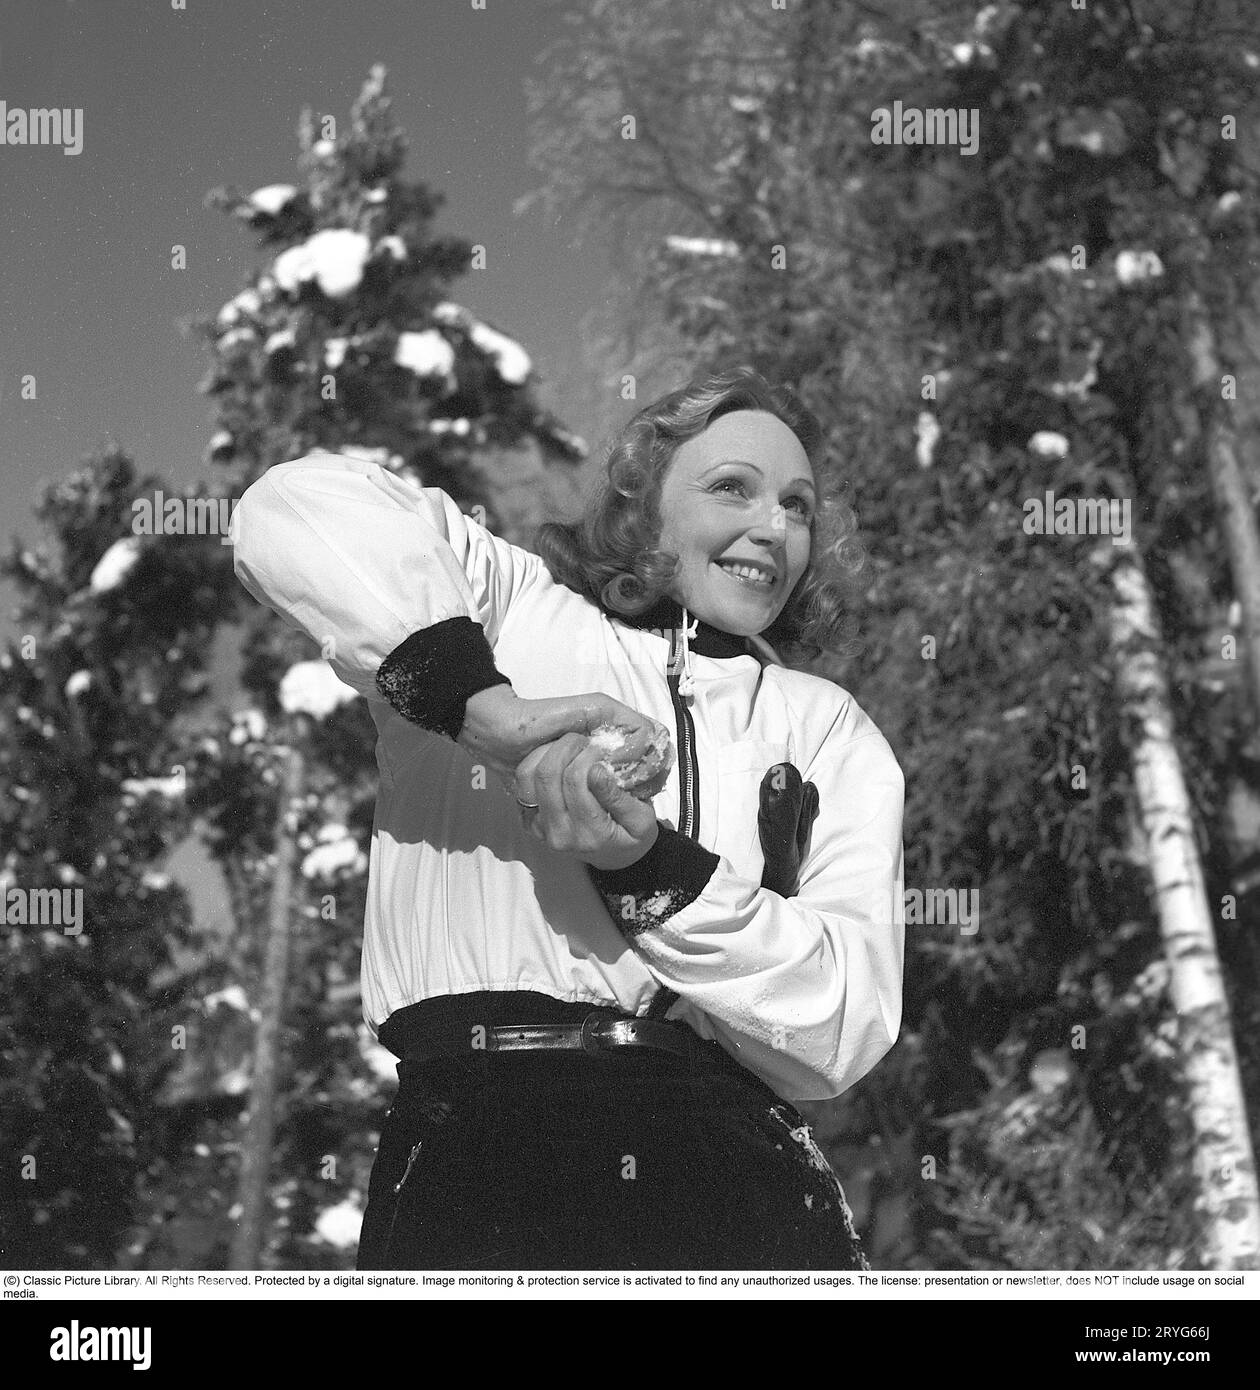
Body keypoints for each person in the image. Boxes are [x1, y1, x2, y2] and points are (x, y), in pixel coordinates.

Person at [232, 364, 905, 1271]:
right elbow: (293, 505)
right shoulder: (506, 608)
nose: (772, 527)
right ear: (644, 503)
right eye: (732, 488)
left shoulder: (825, 724)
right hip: (484, 1143)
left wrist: (649, 875)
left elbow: (845, 1024)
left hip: (742, 1175)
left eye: (798, 505)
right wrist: (487, 711)